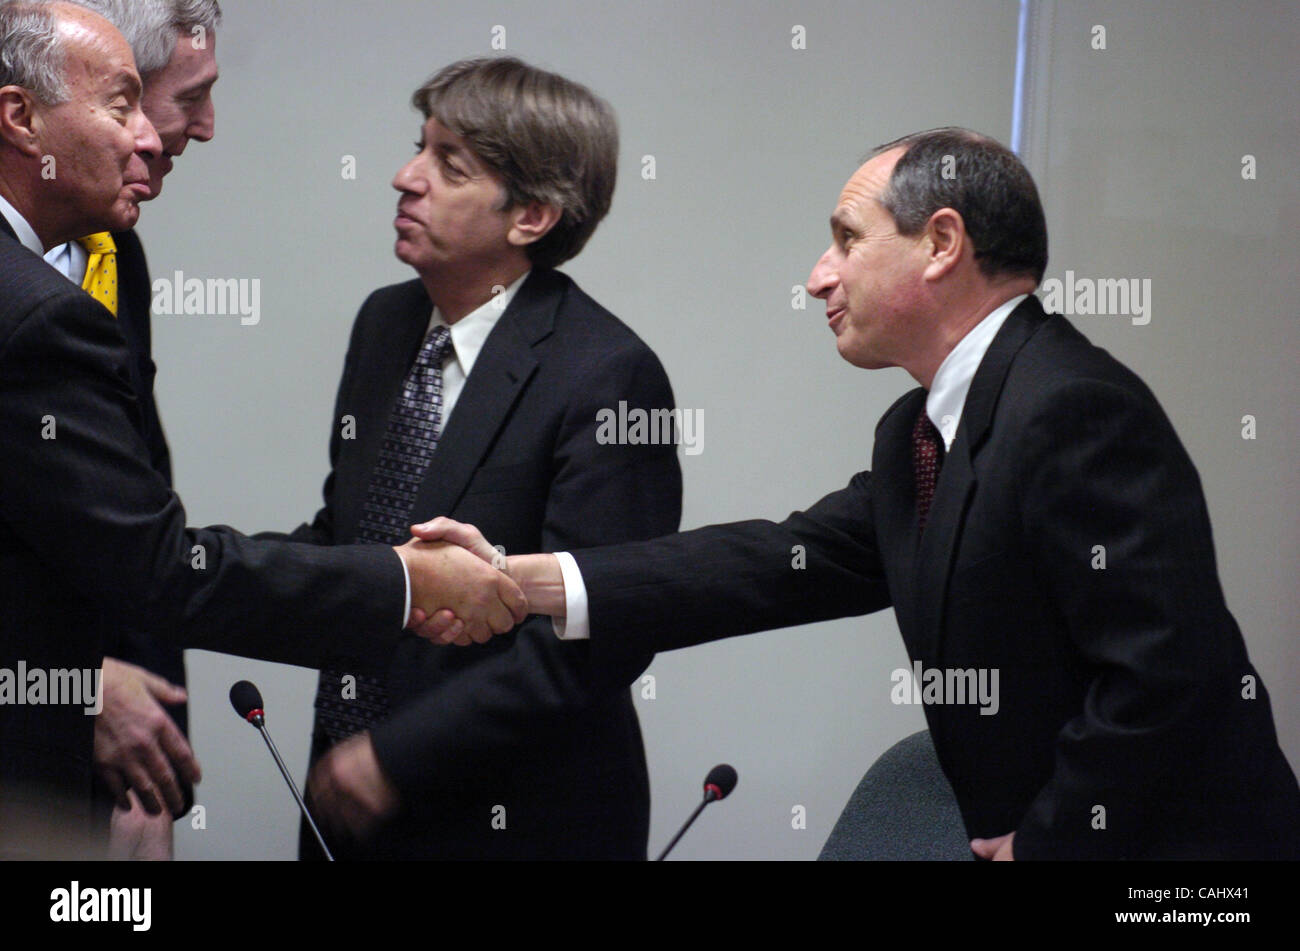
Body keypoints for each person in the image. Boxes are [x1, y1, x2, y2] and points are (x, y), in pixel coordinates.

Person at [416, 128, 1300, 860]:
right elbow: (776, 562)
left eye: (847, 238)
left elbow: (1167, 673)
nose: (818, 277)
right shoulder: (920, 429)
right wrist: (522, 580)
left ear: (942, 243)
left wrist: (1045, 841)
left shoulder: (1072, 406)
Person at [0, 0, 524, 858]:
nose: (152, 138)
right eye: (123, 105)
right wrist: (405, 583)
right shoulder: (34, 313)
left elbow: (118, 515)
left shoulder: (104, 258)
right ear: (23, 117)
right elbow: (153, 560)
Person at [287, 57, 682, 860]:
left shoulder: (609, 374)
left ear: (531, 215)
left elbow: (601, 631)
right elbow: (351, 540)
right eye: (418, 147)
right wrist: (187, 573)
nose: (405, 177)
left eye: (448, 164)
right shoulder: (386, 323)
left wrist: (396, 756)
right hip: (349, 798)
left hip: (516, 813)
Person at [62, 0, 220, 861]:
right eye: (184, 97)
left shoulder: (115, 251)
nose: (200, 129)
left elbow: (136, 499)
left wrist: (150, 767)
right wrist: (72, 691)